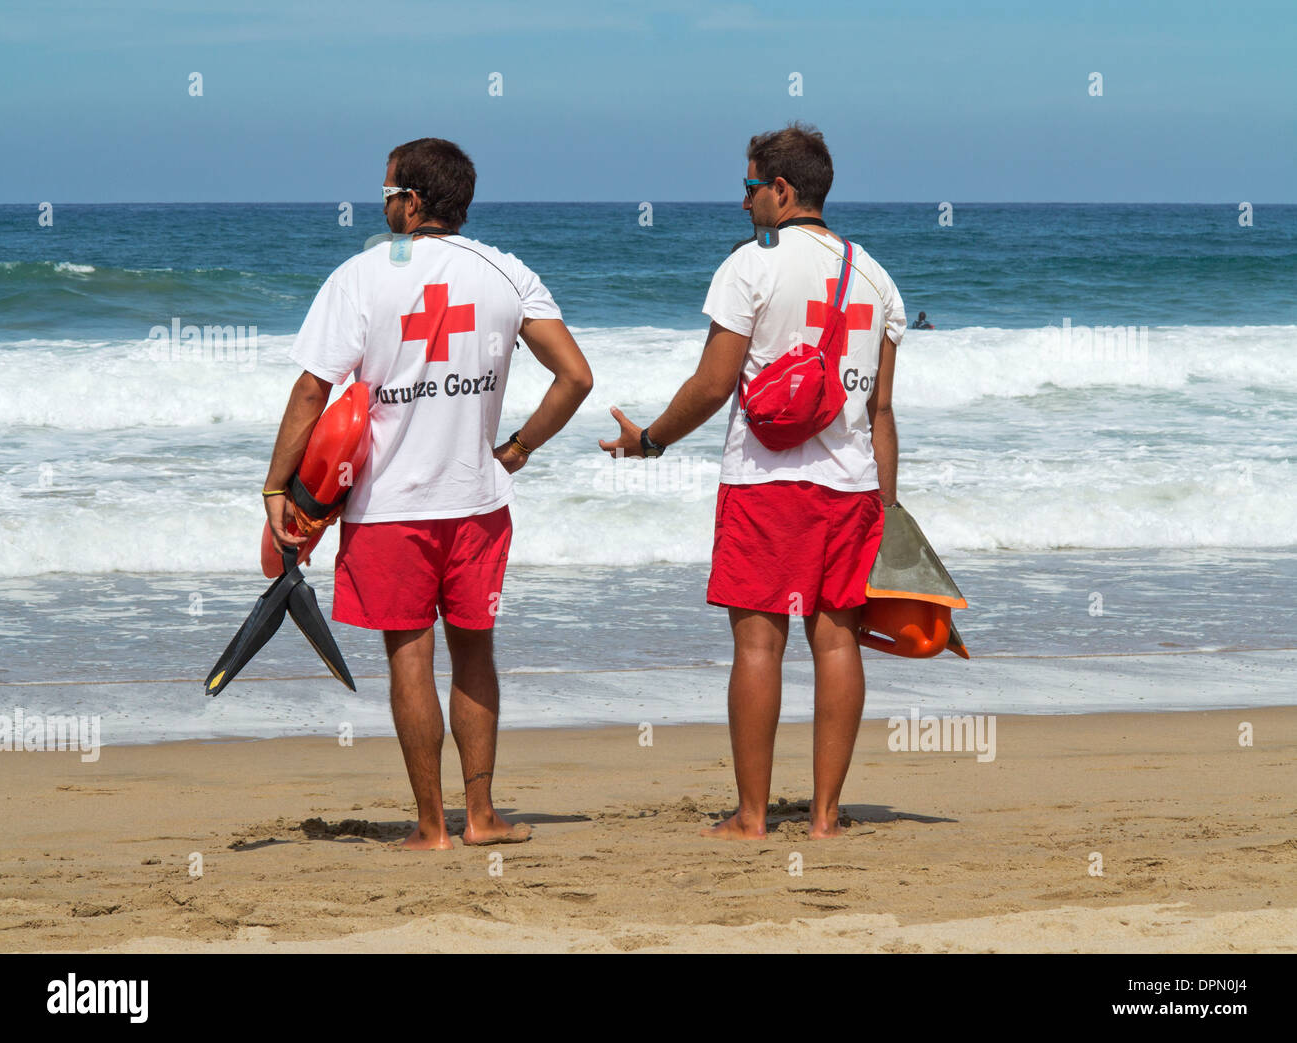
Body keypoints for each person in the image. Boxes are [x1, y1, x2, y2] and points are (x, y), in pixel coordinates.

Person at [265, 137, 593, 850]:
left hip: (390, 509)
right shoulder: (506, 274)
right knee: (475, 654)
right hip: (477, 502)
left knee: (408, 657)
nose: (382, 201)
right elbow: (576, 377)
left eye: (386, 190)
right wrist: (517, 448)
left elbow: (311, 391)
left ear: (412, 200)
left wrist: (275, 485)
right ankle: (481, 818)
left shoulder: (360, 277)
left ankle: (428, 827)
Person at [600, 122, 905, 839]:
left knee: (759, 647)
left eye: (748, 188)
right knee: (837, 644)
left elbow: (712, 385)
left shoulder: (751, 266)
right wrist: (886, 509)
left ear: (781, 189)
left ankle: (754, 815)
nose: (742, 205)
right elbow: (881, 409)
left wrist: (650, 440)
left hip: (766, 485)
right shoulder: (877, 276)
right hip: (853, 487)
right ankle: (826, 817)